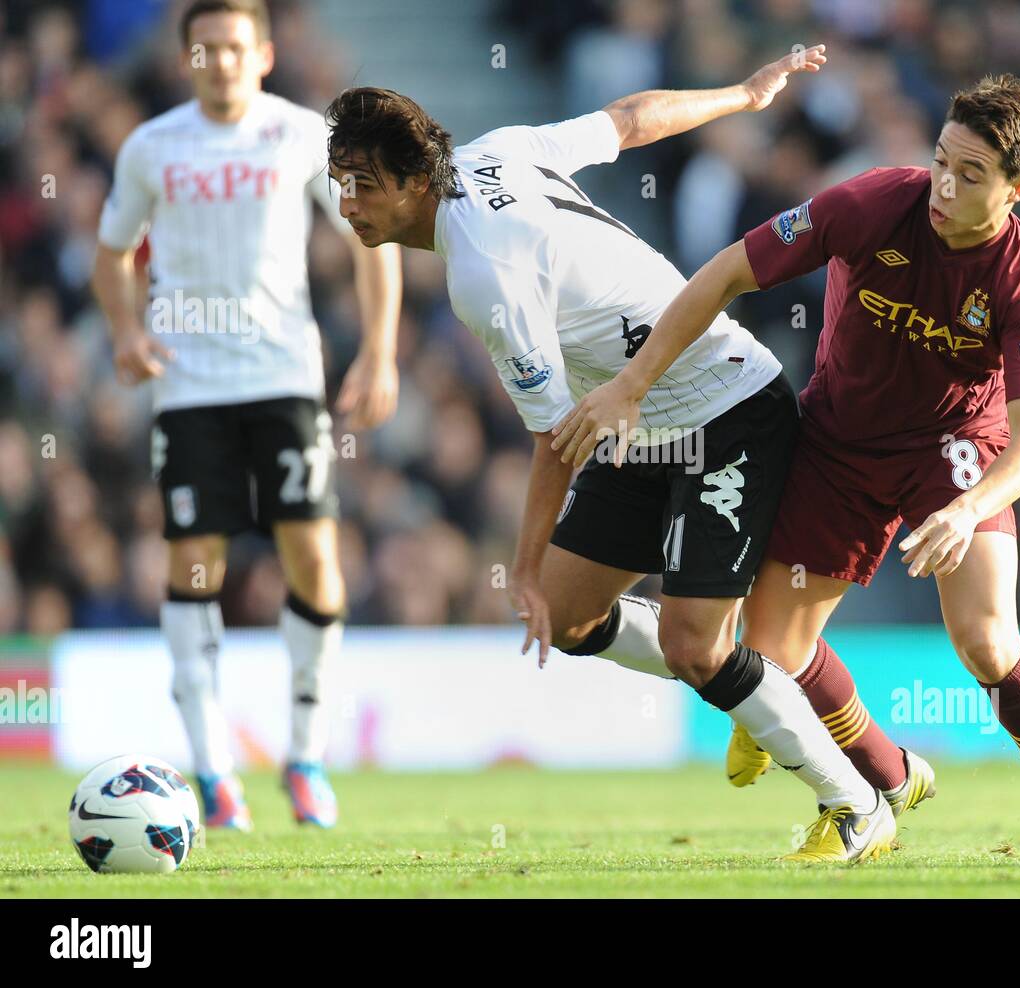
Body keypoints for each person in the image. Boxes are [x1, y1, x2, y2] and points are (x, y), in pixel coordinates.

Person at [323, 44, 903, 862]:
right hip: (634, 417)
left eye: (365, 185)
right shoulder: (497, 151)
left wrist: (520, 566)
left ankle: (856, 805)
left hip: (726, 404)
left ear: (417, 181)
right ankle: (757, 691)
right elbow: (629, 122)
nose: (347, 204)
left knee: (694, 646)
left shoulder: (484, 275)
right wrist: (739, 94)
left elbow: (555, 440)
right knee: (570, 618)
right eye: (340, 182)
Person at [554, 74, 1020, 863]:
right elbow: (722, 275)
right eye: (941, 161)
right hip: (838, 442)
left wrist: (964, 511)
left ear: (1019, 189)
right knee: (774, 653)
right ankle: (890, 776)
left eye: (971, 175)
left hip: (955, 452)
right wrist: (632, 384)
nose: (944, 186)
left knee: (988, 643)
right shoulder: (870, 204)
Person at [92, 0, 402, 830]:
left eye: (235, 47)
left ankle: (303, 759)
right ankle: (213, 772)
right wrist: (125, 329)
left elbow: (374, 235)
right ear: (188, 59)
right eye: (207, 49)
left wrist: (379, 352)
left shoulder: (301, 135)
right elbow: (111, 252)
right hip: (190, 389)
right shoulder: (153, 147)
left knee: (315, 560)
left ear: (262, 54)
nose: (222, 61)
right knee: (197, 566)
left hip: (284, 382)